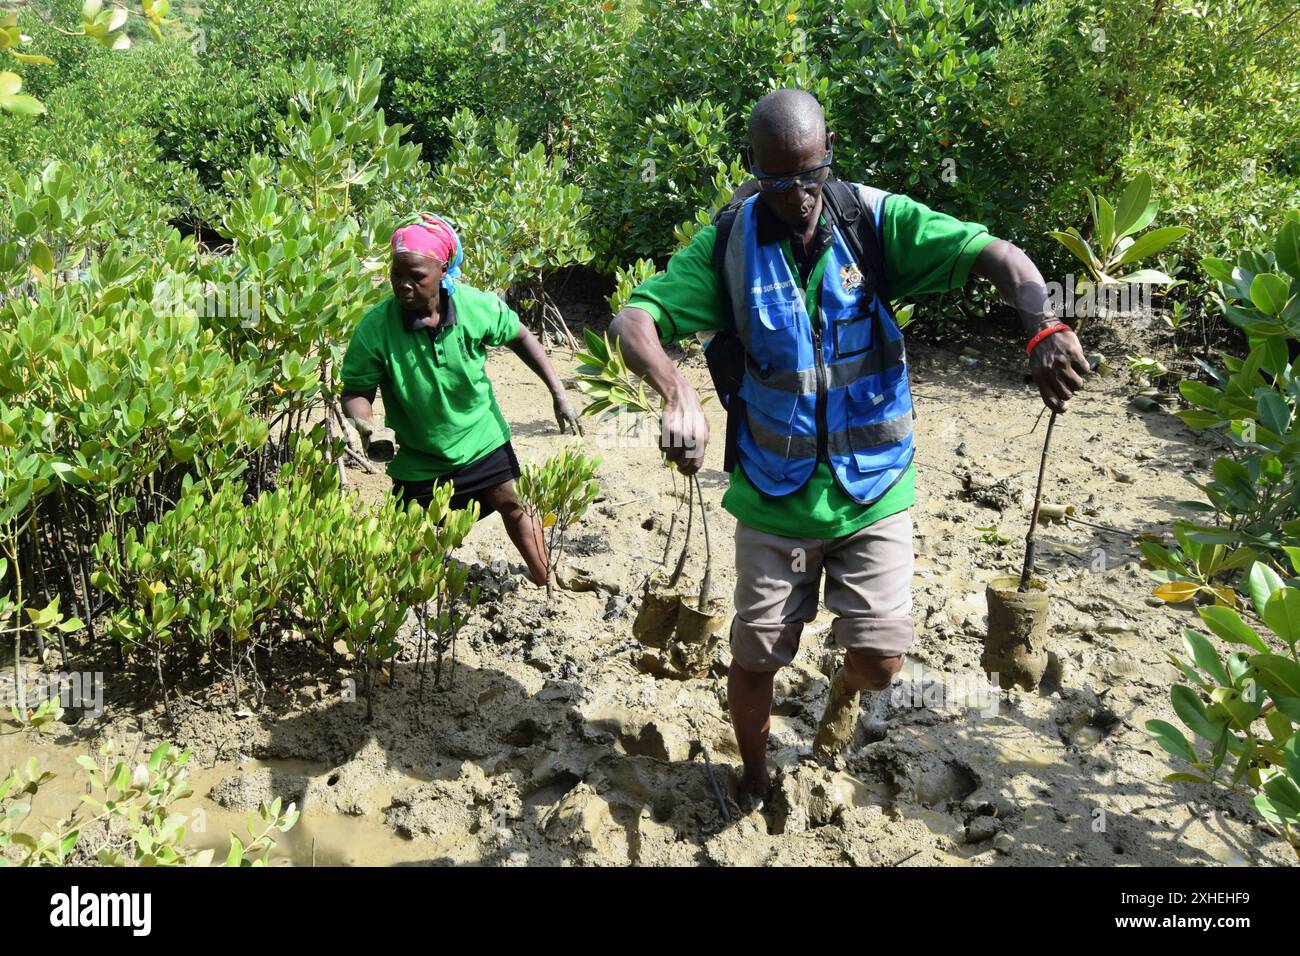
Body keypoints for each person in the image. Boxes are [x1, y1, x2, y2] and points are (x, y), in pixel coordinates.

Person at [608, 89, 1089, 806]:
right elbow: (633, 319)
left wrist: (1044, 326)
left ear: (828, 155)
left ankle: (843, 694)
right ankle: (755, 774)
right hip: (776, 491)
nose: (799, 196)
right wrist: (676, 390)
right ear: (754, 169)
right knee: (755, 656)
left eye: (811, 175)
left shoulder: (875, 221)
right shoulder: (728, 246)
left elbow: (1000, 256)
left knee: (882, 661)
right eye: (779, 180)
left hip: (875, 487)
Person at [340, 213, 583, 586]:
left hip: (481, 437)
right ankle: (413, 609)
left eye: (416, 276)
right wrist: (367, 427)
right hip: (419, 457)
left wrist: (558, 393)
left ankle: (546, 582)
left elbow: (520, 335)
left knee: (514, 506)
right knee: (412, 543)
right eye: (397, 275)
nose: (403, 285)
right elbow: (357, 390)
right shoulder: (375, 328)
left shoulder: (475, 307)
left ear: (442, 271)